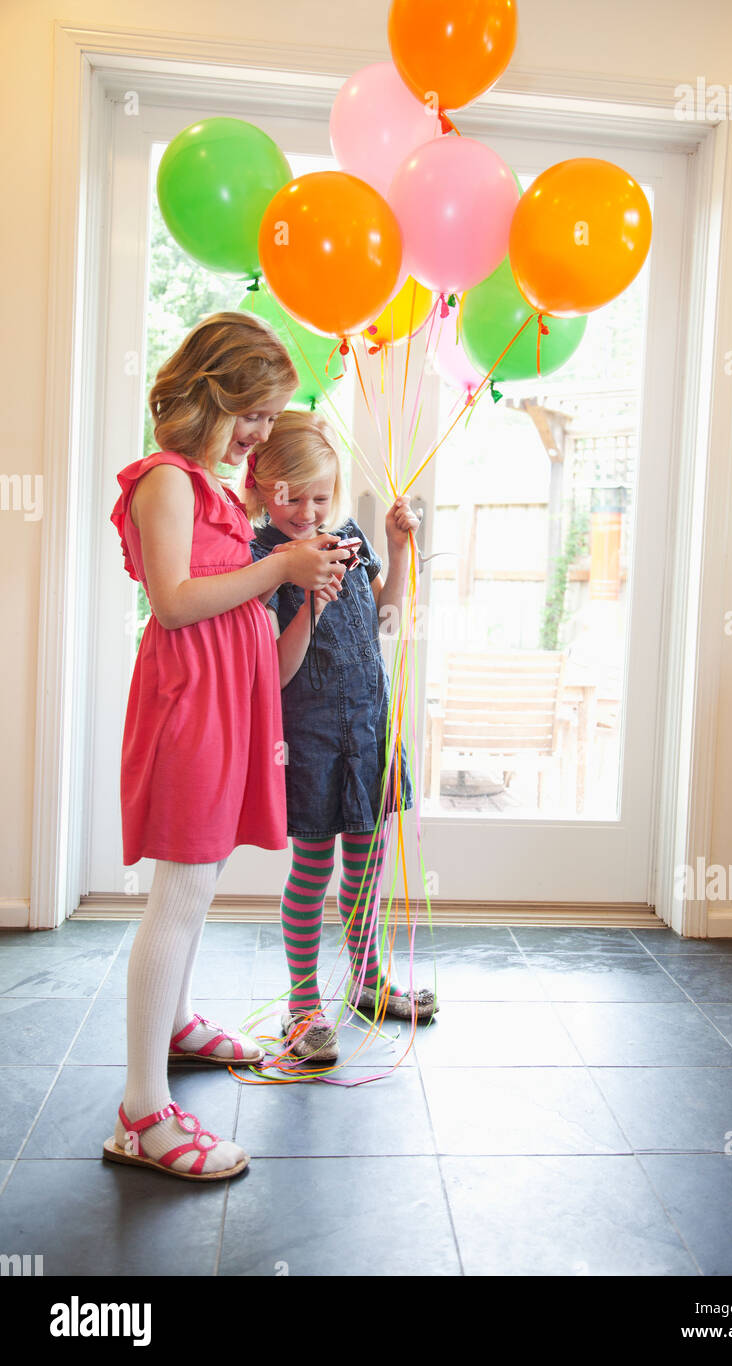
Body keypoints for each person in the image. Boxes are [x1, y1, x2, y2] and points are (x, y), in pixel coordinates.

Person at [102, 312, 348, 1180]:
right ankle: (142, 1114)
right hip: (188, 708)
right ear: (213, 394)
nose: (259, 433)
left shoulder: (213, 486)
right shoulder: (165, 480)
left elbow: (237, 569)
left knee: (199, 883)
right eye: (252, 413)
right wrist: (278, 570)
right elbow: (173, 601)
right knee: (181, 889)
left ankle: (172, 1026)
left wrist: (302, 573)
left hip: (226, 702)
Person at [246, 410, 438, 1064]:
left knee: (367, 865)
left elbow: (386, 619)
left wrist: (399, 545)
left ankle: (368, 982)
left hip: (368, 731)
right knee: (314, 868)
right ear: (260, 488)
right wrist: (308, 603)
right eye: (289, 496)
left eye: (320, 496)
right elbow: (275, 673)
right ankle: (303, 1004)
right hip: (312, 742)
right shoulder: (263, 561)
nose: (306, 510)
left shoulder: (350, 540)